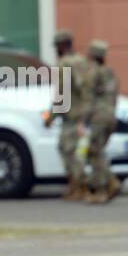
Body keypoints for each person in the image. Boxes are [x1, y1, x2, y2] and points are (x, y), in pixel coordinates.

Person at [43, 29, 93, 201]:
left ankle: (80, 187)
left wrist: (50, 117)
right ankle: (76, 187)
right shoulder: (82, 61)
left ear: (62, 46)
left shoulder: (64, 64)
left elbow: (61, 95)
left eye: (56, 46)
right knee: (77, 152)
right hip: (84, 115)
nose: (55, 50)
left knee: (69, 151)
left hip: (72, 116)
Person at [84, 39, 121, 204]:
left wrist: (83, 120)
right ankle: (109, 182)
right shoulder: (111, 73)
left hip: (99, 117)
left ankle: (103, 188)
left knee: (95, 152)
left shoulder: (94, 73)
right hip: (111, 116)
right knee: (97, 151)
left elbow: (88, 97)